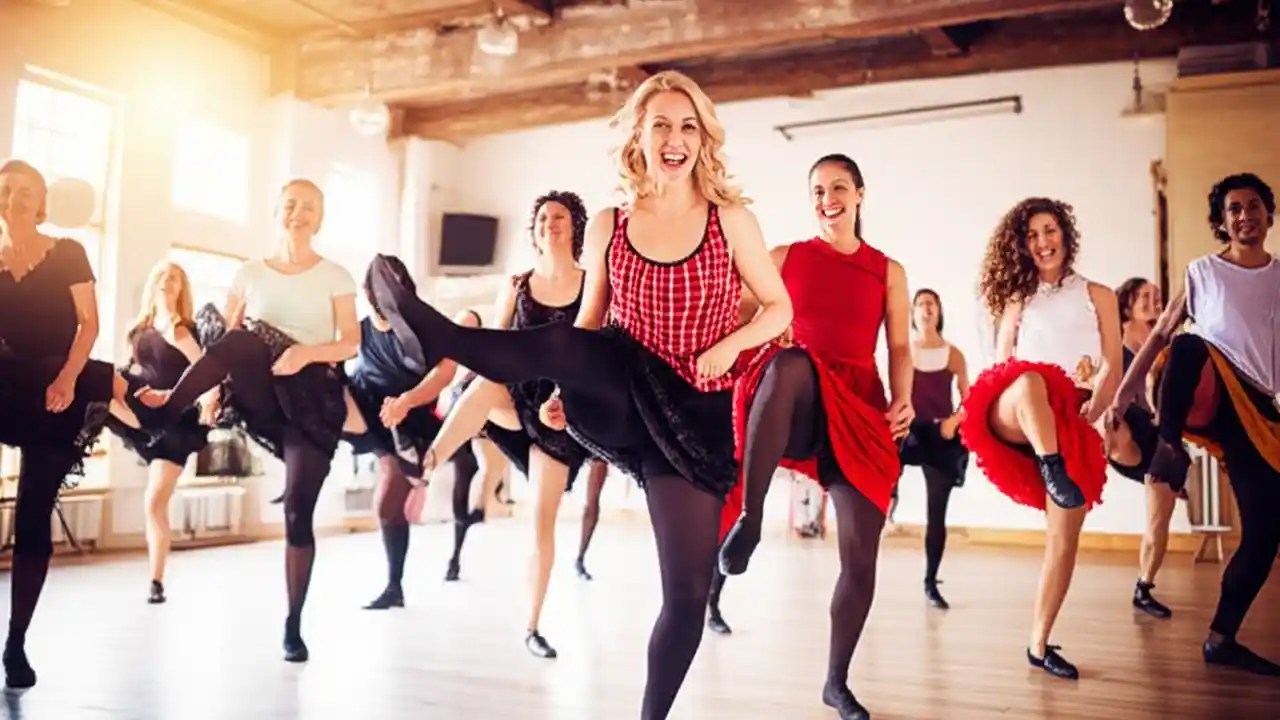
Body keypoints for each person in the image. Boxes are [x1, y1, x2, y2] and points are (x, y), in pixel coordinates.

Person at [365, 69, 792, 719]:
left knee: (685, 593)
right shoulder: (610, 224)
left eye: (687, 126)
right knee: (567, 340)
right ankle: (437, 332)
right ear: (640, 139)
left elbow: (779, 309)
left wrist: (731, 345)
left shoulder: (731, 221)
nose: (674, 139)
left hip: (694, 418)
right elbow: (589, 325)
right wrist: (571, 389)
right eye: (660, 126)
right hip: (621, 390)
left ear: (703, 138)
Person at [718, 153, 911, 720]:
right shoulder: (784, 257)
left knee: (860, 559)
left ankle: (836, 682)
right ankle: (752, 520)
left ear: (859, 195)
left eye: (839, 187)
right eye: (818, 190)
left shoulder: (888, 270)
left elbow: (899, 347)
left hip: (860, 409)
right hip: (798, 396)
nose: (828, 198)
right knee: (792, 362)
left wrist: (901, 397)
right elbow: (739, 317)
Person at [138, 179, 360, 663]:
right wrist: (212, 392)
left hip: (313, 400)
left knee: (298, 513)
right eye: (290, 205)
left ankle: (293, 625)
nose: (298, 213)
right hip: (263, 393)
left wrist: (305, 352)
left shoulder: (336, 275)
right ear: (277, 212)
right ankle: (174, 405)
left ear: (319, 219)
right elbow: (226, 342)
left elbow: (350, 343)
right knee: (240, 341)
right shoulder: (250, 273)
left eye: (309, 208)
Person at [1106, 173, 1280, 676]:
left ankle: (1221, 638)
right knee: (1187, 343)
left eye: (1253, 206)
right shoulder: (1205, 271)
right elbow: (1162, 332)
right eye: (1233, 209)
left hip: (1260, 410)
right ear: (1222, 221)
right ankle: (1168, 449)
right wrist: (1123, 392)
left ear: (1268, 215)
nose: (1244, 215)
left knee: (1265, 533)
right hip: (1210, 386)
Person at [411, 190, 594, 658]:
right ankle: (428, 462)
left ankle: (532, 626)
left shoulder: (593, 283)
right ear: (533, 231)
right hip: (516, 400)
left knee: (541, 522)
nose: (549, 224)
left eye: (559, 217)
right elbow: (495, 348)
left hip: (562, 417)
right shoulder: (516, 285)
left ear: (574, 226)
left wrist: (566, 398)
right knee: (483, 387)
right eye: (542, 219)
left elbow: (595, 352)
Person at [959, 197, 1121, 680]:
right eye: (1032, 236)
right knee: (1030, 381)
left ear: (1065, 235)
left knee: (1062, 541)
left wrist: (1097, 404)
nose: (1042, 242)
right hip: (1016, 408)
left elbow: (1113, 363)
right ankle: (1052, 467)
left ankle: (1039, 643)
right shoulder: (1018, 300)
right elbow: (1004, 365)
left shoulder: (1098, 294)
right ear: (1022, 246)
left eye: (1049, 231)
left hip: (1069, 417)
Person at [0, 159, 123, 688]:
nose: (15, 198)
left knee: (32, 517)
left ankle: (16, 643)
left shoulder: (68, 251)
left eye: (26, 191)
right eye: (6, 189)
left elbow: (88, 323)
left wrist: (69, 379)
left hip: (58, 381)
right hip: (3, 379)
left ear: (42, 202)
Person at [344, 256, 481, 610]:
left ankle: (395, 586)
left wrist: (406, 402)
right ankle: (395, 586)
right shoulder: (359, 330)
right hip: (372, 416)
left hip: (413, 424)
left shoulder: (424, 328)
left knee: (387, 504)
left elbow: (442, 376)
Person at [106, 260, 210, 604]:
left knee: (153, 502)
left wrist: (168, 396)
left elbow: (205, 377)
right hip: (141, 414)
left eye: (176, 279)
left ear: (181, 290)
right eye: (164, 277)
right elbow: (131, 370)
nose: (169, 282)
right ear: (153, 284)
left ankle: (156, 580)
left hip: (174, 422)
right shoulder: (136, 331)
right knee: (97, 390)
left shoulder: (183, 331)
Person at [1105, 277, 1178, 618]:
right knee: (1116, 427)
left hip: (1160, 443)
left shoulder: (1167, 352)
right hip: (1126, 436)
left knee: (1157, 524)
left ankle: (1144, 587)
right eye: (1145, 298)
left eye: (1157, 297)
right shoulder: (1114, 353)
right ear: (1127, 311)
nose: (1155, 302)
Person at [898, 288, 970, 610]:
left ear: (939, 311)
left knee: (936, 513)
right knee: (879, 477)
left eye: (931, 304)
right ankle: (889, 498)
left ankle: (930, 581)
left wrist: (954, 421)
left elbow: (970, 401)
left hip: (940, 433)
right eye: (920, 304)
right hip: (911, 431)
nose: (926, 309)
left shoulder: (953, 355)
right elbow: (894, 394)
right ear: (912, 314)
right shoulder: (904, 352)